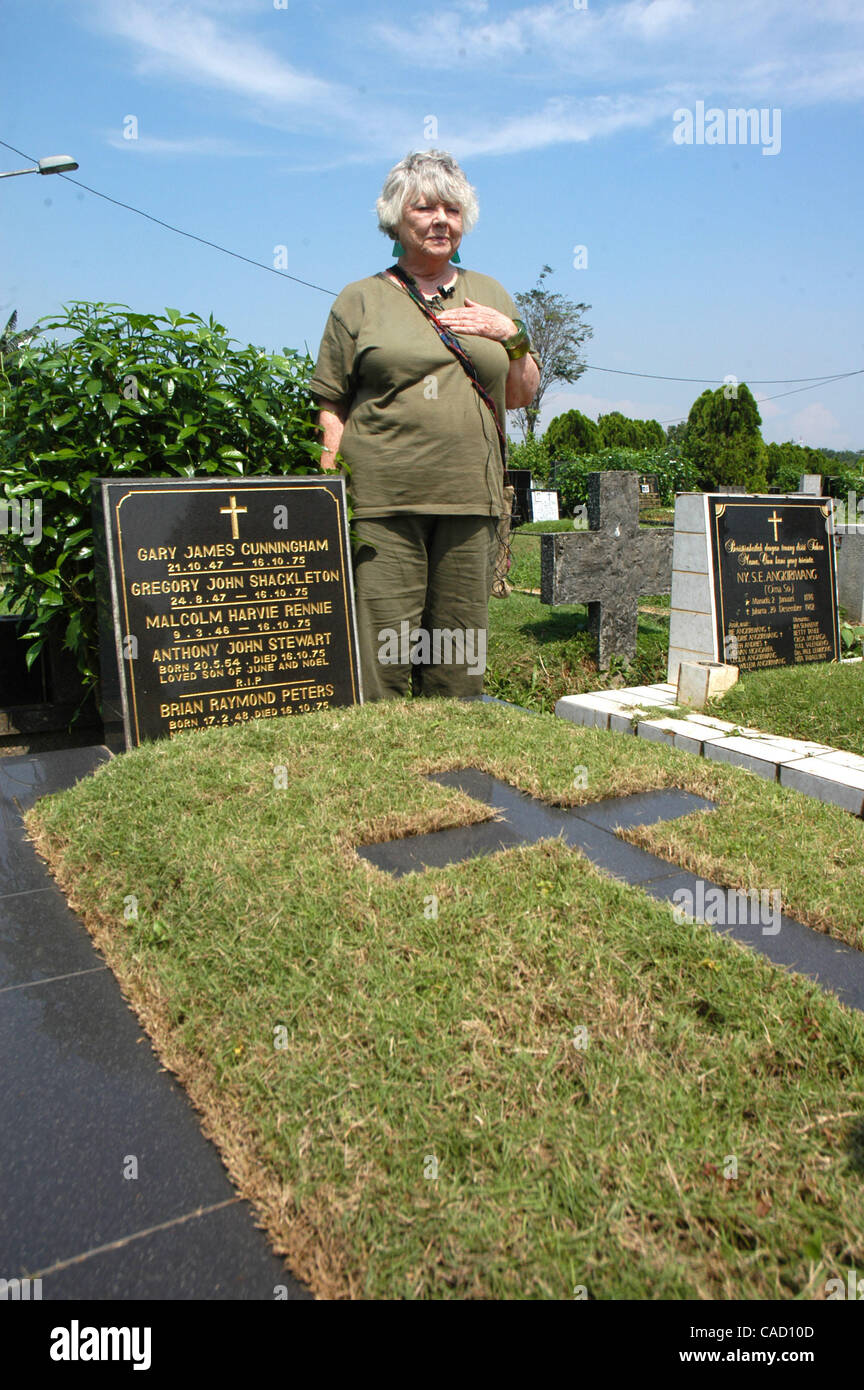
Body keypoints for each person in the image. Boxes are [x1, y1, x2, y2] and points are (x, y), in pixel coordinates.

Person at [310, 149, 540, 701]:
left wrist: (511, 335)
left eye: (453, 210)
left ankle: (453, 772)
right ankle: (378, 774)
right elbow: (331, 405)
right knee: (382, 656)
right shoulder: (360, 298)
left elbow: (520, 394)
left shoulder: (491, 293)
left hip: (471, 501)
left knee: (458, 662)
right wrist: (328, 489)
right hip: (383, 502)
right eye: (425, 208)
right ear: (396, 218)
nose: (442, 220)